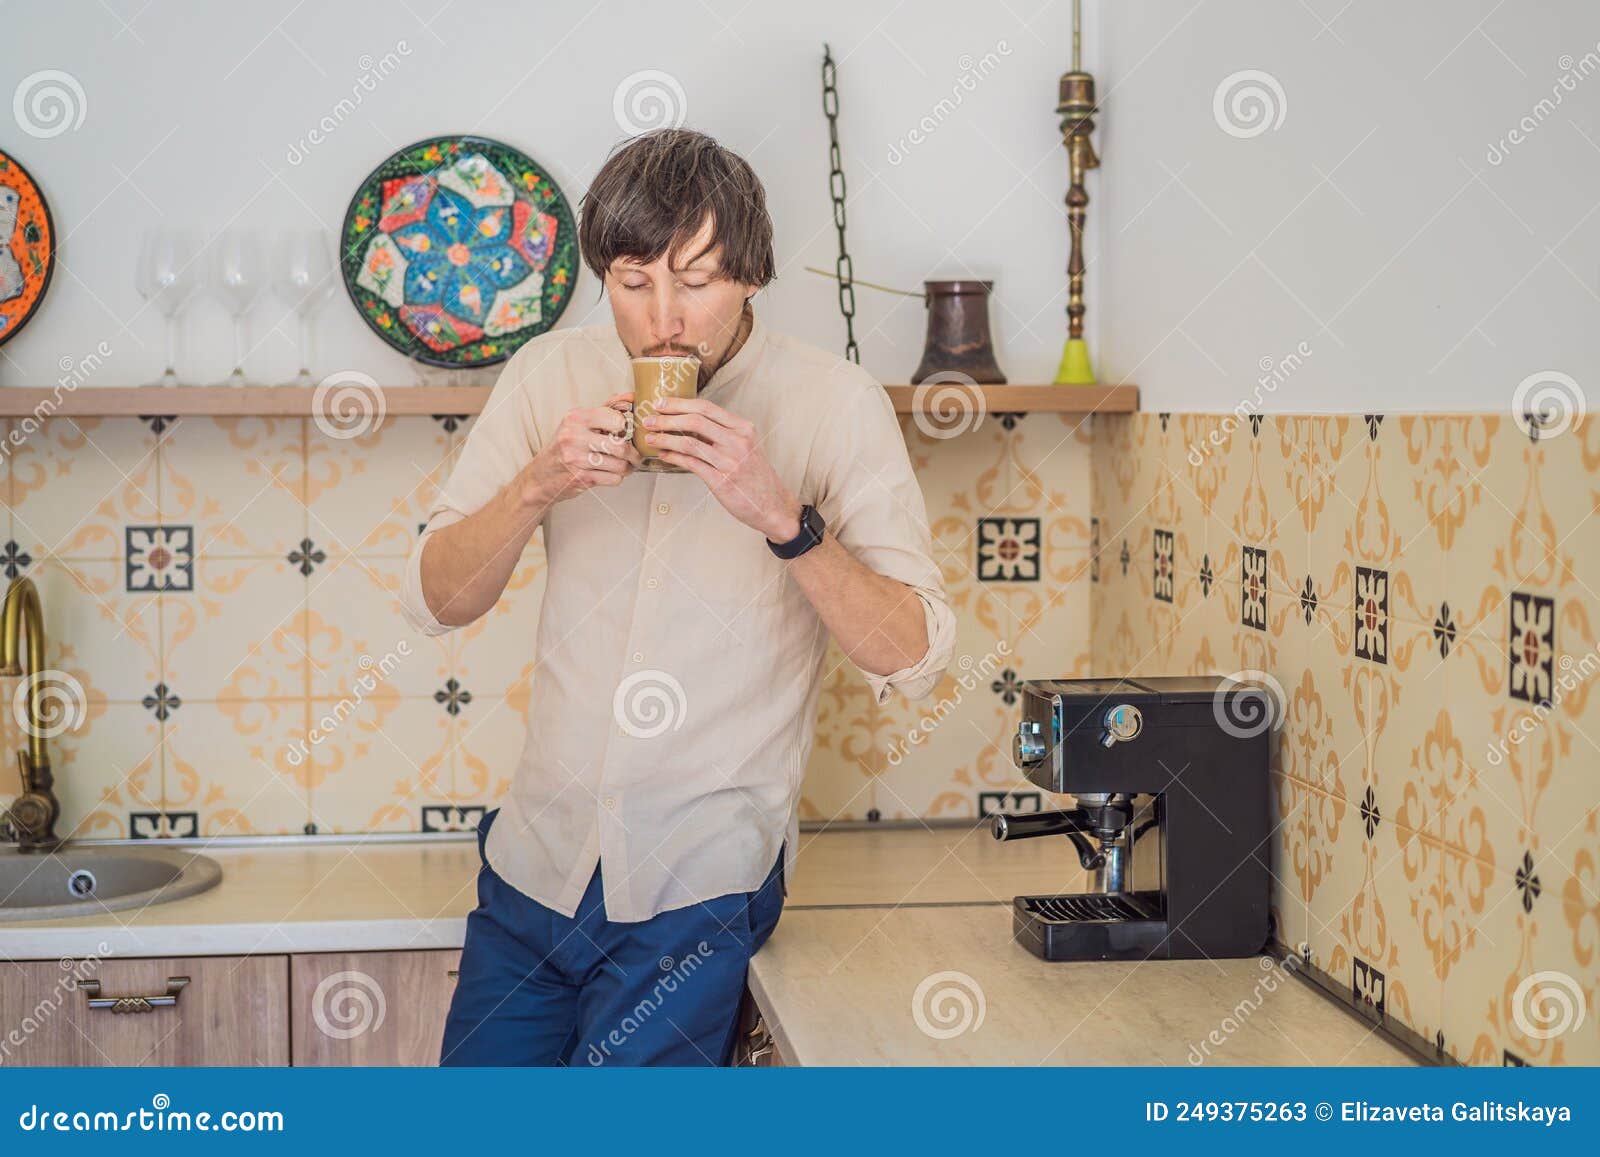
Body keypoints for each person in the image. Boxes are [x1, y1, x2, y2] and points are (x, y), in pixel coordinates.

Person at [402, 128, 955, 1066]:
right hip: (533, 867)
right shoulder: (547, 375)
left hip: (699, 885)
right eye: (631, 280)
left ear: (750, 274)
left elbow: (916, 653)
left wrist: (784, 517)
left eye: (695, 281)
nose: (663, 318)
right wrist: (536, 484)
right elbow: (436, 600)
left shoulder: (835, 401)